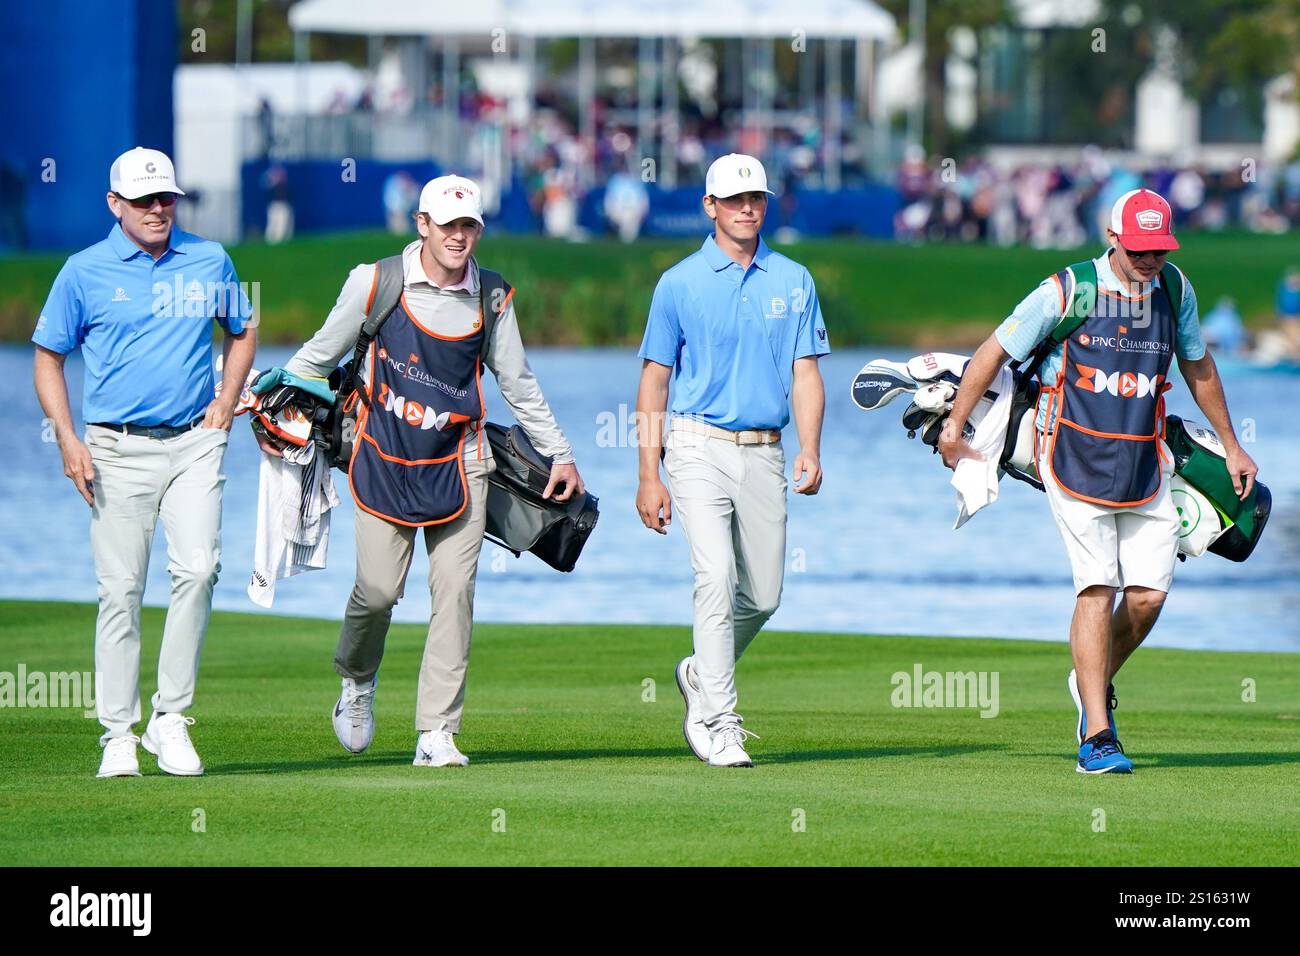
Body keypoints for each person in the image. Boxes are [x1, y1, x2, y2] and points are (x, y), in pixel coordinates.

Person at [265, 175, 583, 767]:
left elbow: (518, 383)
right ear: (423, 225)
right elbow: (319, 353)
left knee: (455, 592)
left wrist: (559, 452)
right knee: (379, 591)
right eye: (448, 225)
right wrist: (268, 394)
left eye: (469, 226)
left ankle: (437, 731)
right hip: (382, 456)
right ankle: (357, 681)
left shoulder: (491, 296)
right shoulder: (376, 281)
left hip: (461, 464)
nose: (459, 237)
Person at [938, 188, 1258, 774]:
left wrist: (1233, 446)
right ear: (1112, 239)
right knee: (1098, 586)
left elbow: (1198, 366)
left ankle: (1089, 678)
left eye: (1159, 249)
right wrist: (956, 426)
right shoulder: (1066, 290)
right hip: (1071, 458)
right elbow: (994, 351)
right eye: (1139, 250)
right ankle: (1097, 734)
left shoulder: (1174, 289)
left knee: (1148, 597)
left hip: (1145, 462)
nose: (1150, 261)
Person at [32, 147, 257, 778]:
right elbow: (49, 357)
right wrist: (69, 439)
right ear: (116, 205)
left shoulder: (209, 258)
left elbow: (242, 329)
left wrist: (226, 402)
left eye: (166, 198)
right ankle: (118, 734)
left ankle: (170, 718)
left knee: (200, 569)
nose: (158, 209)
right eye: (144, 200)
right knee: (121, 590)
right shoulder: (83, 271)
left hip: (194, 441)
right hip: (113, 449)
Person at [634, 154, 829, 768]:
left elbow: (805, 373)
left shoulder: (793, 279)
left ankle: (699, 671)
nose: (748, 208)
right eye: (736, 199)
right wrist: (648, 472)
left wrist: (812, 447)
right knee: (714, 576)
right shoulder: (679, 282)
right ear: (710, 206)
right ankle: (720, 720)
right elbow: (653, 382)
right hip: (694, 446)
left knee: (764, 594)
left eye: (758, 198)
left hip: (765, 452)